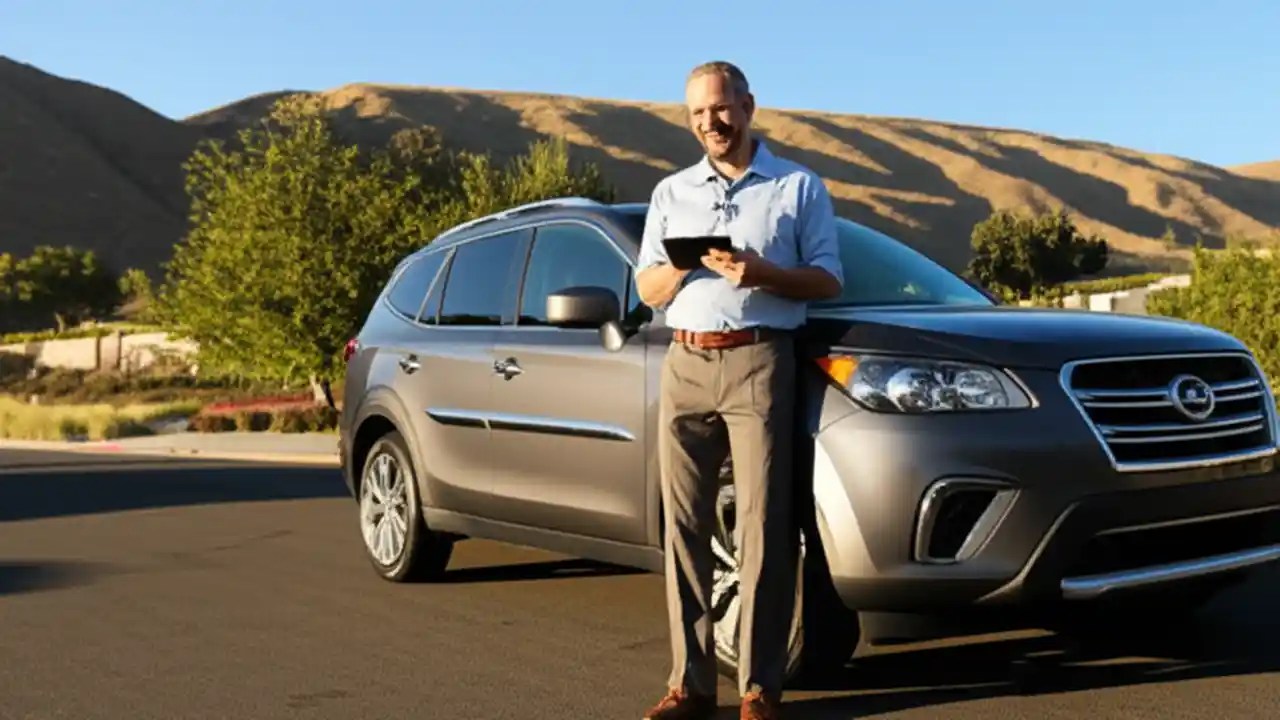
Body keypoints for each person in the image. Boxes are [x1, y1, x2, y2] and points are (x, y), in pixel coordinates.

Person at [635, 61, 844, 720]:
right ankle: (691, 687)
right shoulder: (671, 193)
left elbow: (828, 279)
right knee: (683, 528)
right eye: (699, 113)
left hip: (760, 359)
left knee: (763, 527)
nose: (711, 122)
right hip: (685, 362)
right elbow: (646, 287)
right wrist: (680, 265)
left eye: (721, 109)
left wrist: (763, 274)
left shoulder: (797, 186)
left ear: (749, 107)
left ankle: (758, 689)